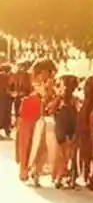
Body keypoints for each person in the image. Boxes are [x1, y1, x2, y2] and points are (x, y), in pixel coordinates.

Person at [26, 59, 58, 188]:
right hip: (39, 118)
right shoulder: (38, 83)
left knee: (45, 146)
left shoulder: (45, 83)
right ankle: (34, 171)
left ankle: (37, 171)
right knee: (38, 145)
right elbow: (43, 99)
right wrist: (49, 90)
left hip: (47, 118)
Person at [53, 74, 80, 189]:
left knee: (62, 154)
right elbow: (76, 116)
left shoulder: (60, 99)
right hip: (70, 128)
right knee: (70, 155)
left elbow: (51, 110)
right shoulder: (74, 100)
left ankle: (60, 177)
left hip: (61, 127)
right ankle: (69, 178)